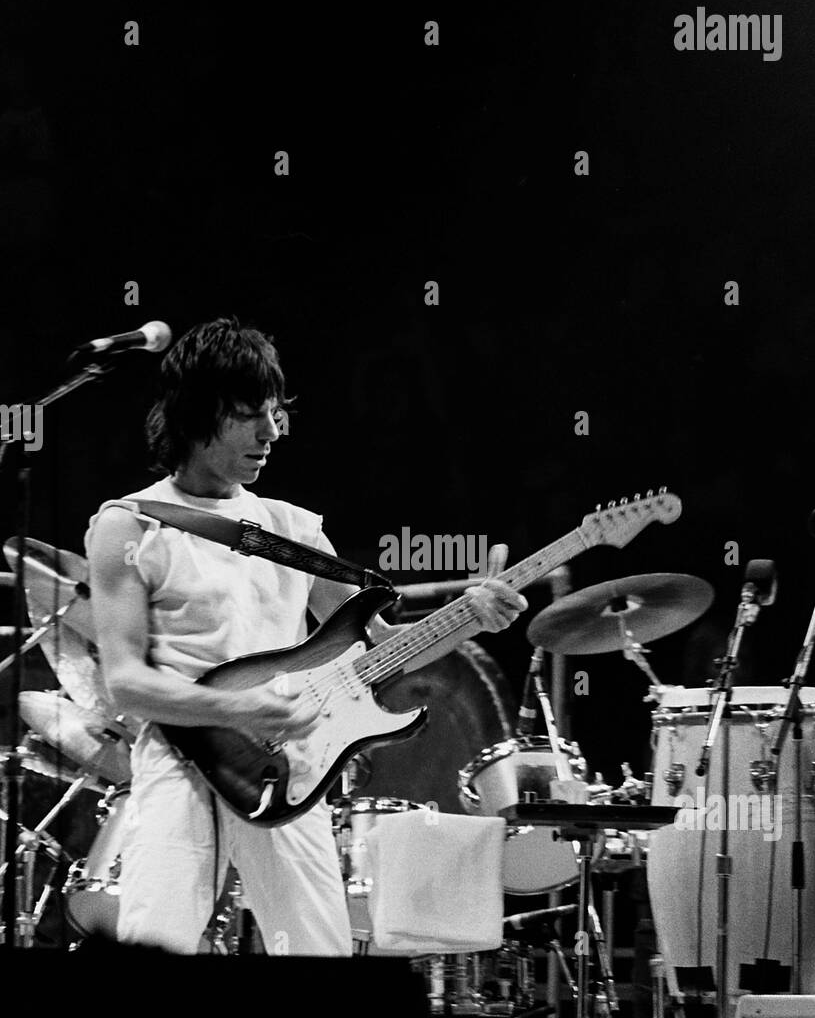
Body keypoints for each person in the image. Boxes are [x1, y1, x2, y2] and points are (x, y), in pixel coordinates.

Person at [86, 316, 526, 955]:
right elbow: (125, 683)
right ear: (193, 415)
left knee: (320, 954)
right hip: (180, 768)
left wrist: (469, 616)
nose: (271, 433)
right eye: (248, 415)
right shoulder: (129, 527)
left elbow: (383, 652)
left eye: (274, 414)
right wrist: (237, 706)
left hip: (291, 772)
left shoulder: (292, 529)